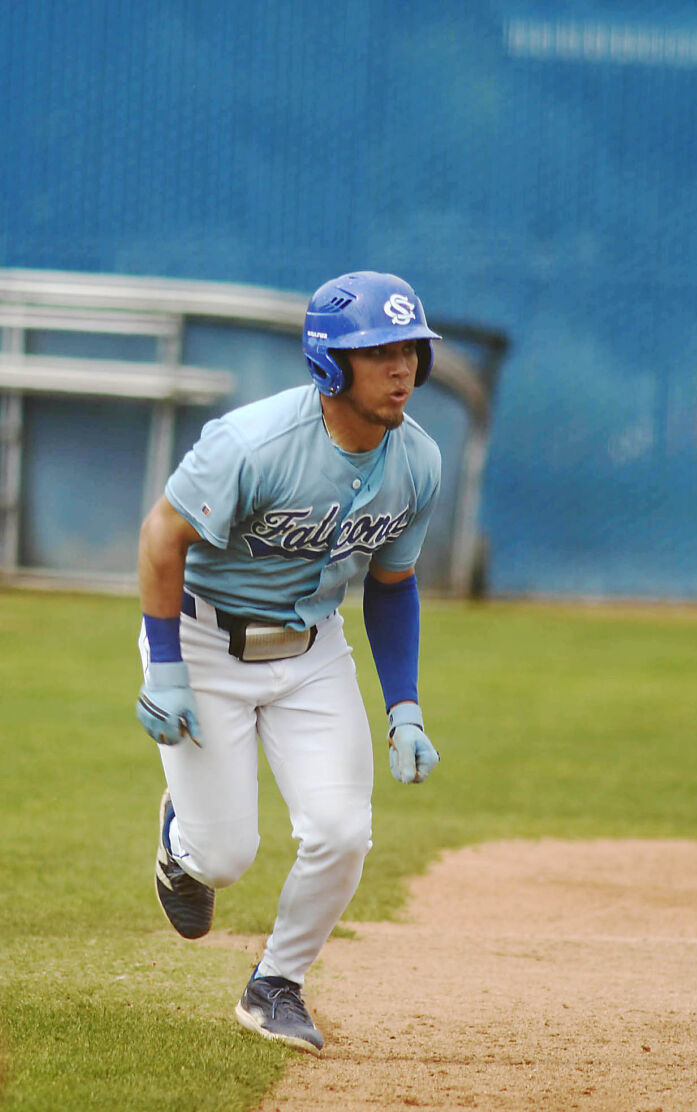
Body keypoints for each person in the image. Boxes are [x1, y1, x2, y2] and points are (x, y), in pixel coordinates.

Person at [134, 270, 445, 1054]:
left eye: (410, 349)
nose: (401, 367)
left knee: (342, 831)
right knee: (225, 856)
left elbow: (392, 584)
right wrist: (165, 664)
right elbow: (160, 539)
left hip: (312, 650)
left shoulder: (418, 462)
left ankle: (276, 984)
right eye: (379, 352)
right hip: (205, 644)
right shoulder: (252, 443)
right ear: (330, 362)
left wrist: (403, 706)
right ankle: (182, 847)